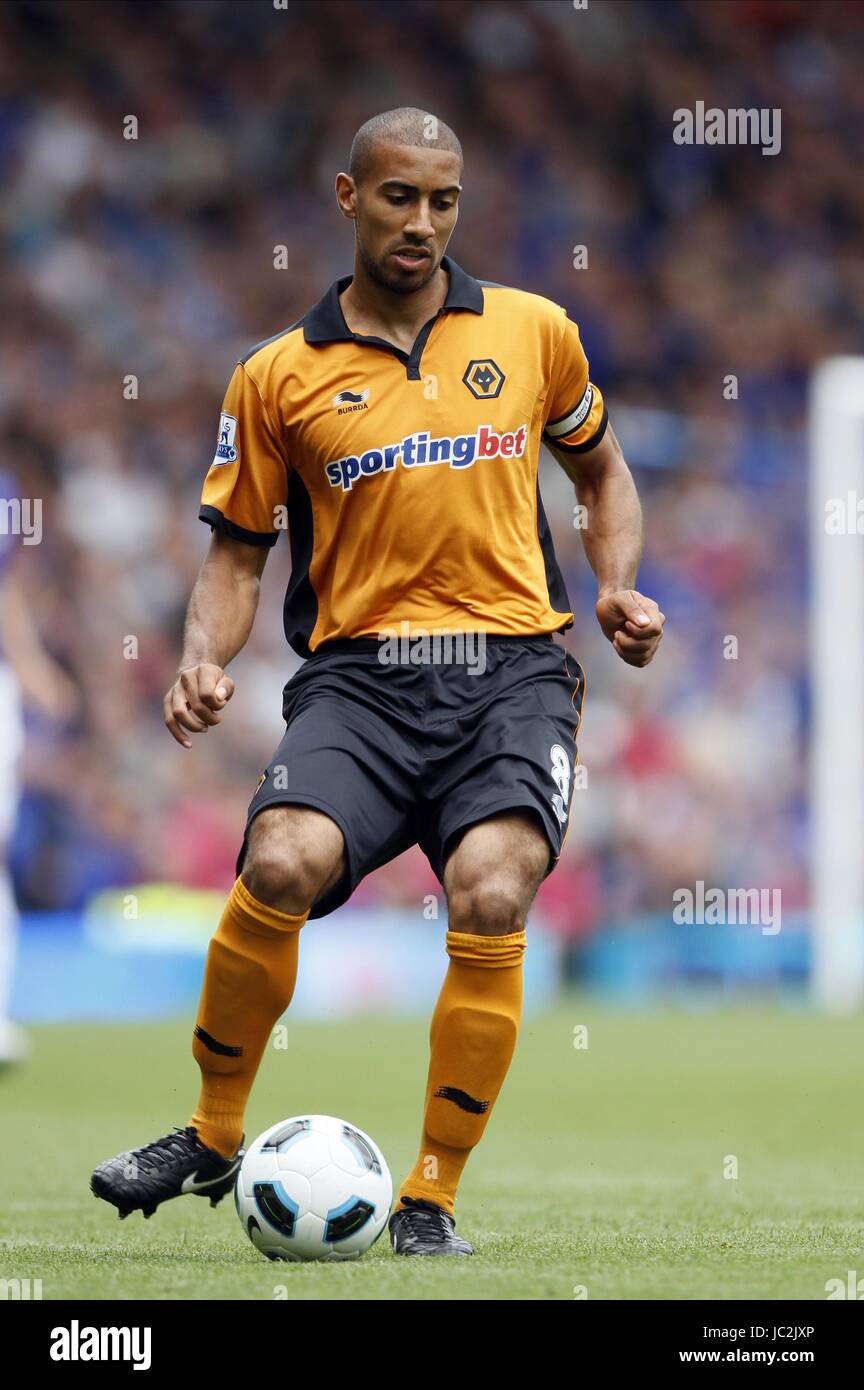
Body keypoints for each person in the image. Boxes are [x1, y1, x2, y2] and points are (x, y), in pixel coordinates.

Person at [91, 108, 664, 1256]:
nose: (423, 222)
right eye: (399, 197)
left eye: (444, 201)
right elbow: (238, 552)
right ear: (349, 198)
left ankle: (431, 1197)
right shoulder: (275, 377)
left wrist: (617, 585)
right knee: (278, 859)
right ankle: (211, 1131)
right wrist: (203, 658)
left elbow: (602, 473)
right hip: (359, 677)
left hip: (513, 672)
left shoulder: (535, 331)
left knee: (493, 891)